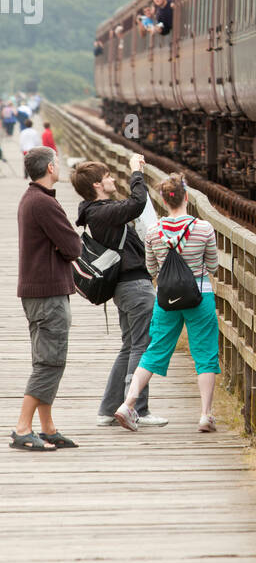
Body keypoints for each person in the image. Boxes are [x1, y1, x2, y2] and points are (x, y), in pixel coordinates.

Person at [115, 174, 220, 434]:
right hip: (200, 296)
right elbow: (214, 265)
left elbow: (151, 268)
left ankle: (129, 404)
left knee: (154, 351)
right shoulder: (204, 228)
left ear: (163, 199)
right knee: (205, 355)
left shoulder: (153, 231)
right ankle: (206, 415)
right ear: (186, 197)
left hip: (166, 299)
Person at [71, 154, 167, 428]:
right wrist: (136, 171)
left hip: (125, 287)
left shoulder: (98, 211)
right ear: (98, 185)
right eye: (108, 177)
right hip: (135, 286)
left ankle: (109, 409)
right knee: (142, 346)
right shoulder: (101, 212)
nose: (113, 179)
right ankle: (136, 409)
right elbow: (137, 203)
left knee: (129, 346)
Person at [12, 146, 82, 451]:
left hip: (38, 291)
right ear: (50, 168)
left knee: (46, 358)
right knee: (49, 362)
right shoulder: (43, 202)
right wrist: (67, 247)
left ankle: (47, 427)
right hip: (48, 293)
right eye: (58, 162)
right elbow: (73, 246)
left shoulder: (32, 199)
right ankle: (22, 427)